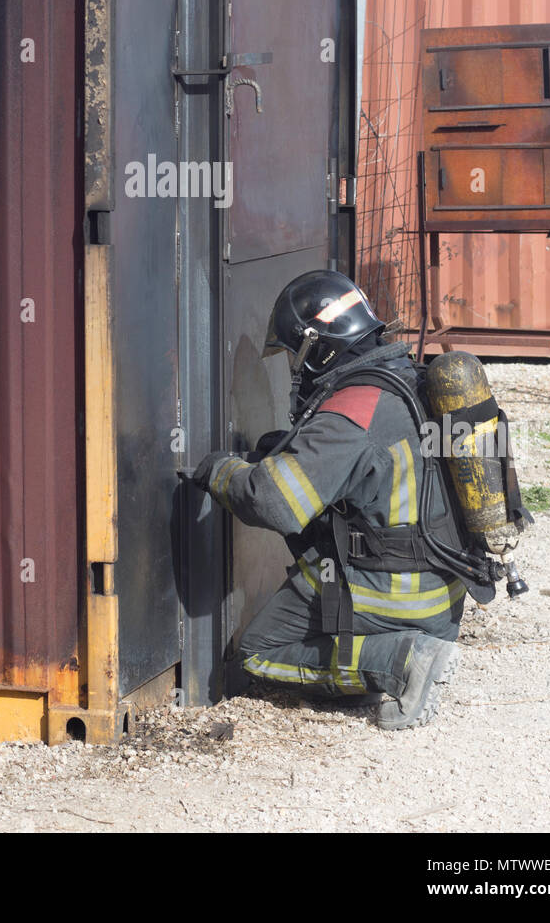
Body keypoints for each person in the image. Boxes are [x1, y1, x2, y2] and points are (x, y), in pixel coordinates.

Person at [192, 270, 493, 729]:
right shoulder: (409, 379)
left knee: (258, 651)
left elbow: (275, 502)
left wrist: (219, 470)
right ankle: (406, 650)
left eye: (295, 355)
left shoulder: (354, 409)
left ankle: (402, 660)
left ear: (317, 346)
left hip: (402, 596)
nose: (295, 367)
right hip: (444, 595)